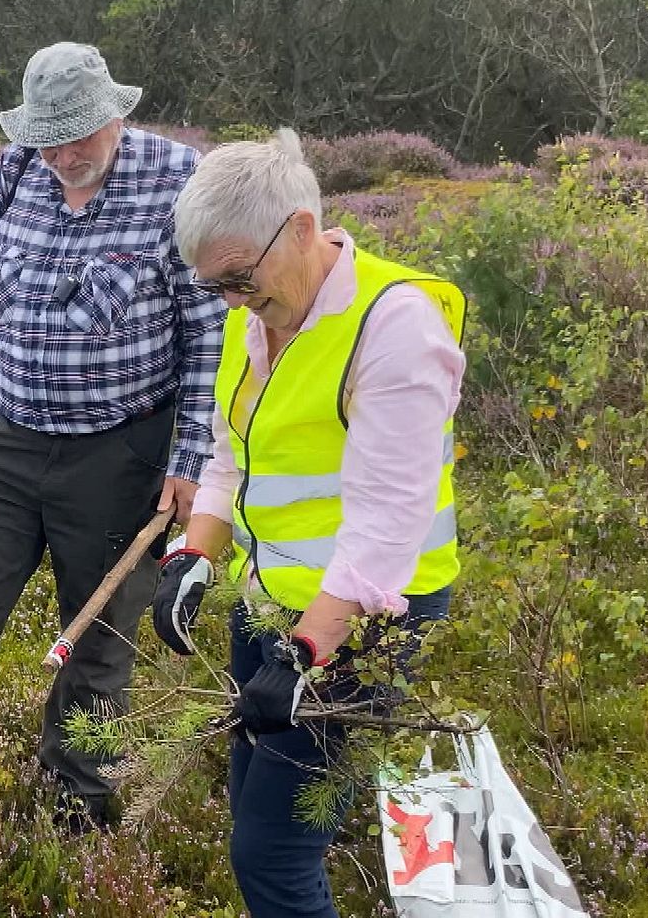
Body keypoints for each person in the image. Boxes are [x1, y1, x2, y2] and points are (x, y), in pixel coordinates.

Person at [0, 42, 226, 829]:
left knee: (102, 640)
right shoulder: (15, 172)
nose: (64, 154)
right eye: (49, 136)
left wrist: (189, 459)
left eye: (79, 134)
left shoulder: (178, 181)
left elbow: (210, 332)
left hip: (119, 454)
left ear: (117, 114)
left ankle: (78, 798)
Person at [151, 129, 466, 918]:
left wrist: (308, 648)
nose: (228, 299)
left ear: (300, 228)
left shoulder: (394, 327)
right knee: (251, 797)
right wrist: (196, 554)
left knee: (272, 847)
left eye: (238, 277)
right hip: (274, 598)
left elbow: (389, 522)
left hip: (366, 620)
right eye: (212, 285)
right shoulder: (252, 318)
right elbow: (234, 457)